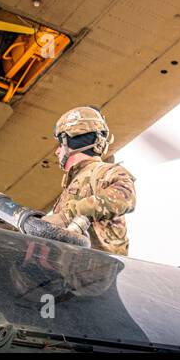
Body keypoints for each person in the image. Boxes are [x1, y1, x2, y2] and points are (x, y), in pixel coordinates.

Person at [41, 106, 137, 256]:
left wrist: (68, 215)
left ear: (69, 142)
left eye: (61, 144)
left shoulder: (104, 172)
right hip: (71, 269)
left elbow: (125, 196)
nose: (57, 151)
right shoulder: (73, 183)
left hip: (97, 269)